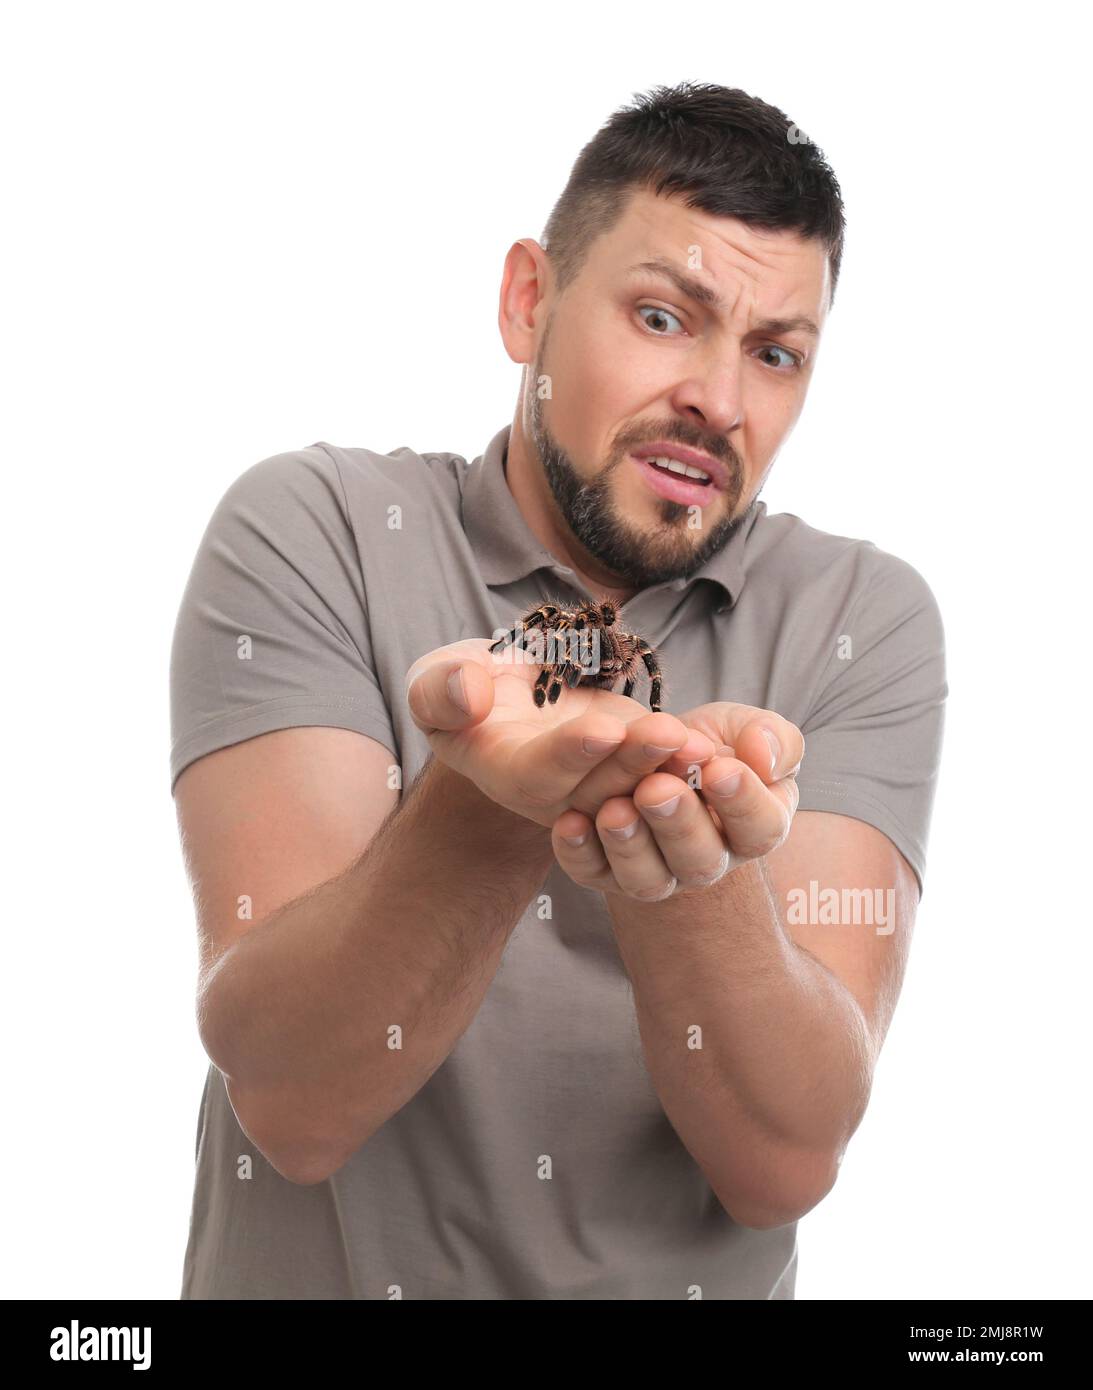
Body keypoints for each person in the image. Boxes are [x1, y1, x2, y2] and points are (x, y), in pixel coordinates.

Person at [169, 81, 947, 1300]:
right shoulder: (315, 530)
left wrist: (684, 845)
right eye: (660, 315)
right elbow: (292, 1102)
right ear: (528, 301)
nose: (720, 400)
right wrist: (483, 795)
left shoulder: (860, 622)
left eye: (775, 353)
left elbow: (784, 1161)